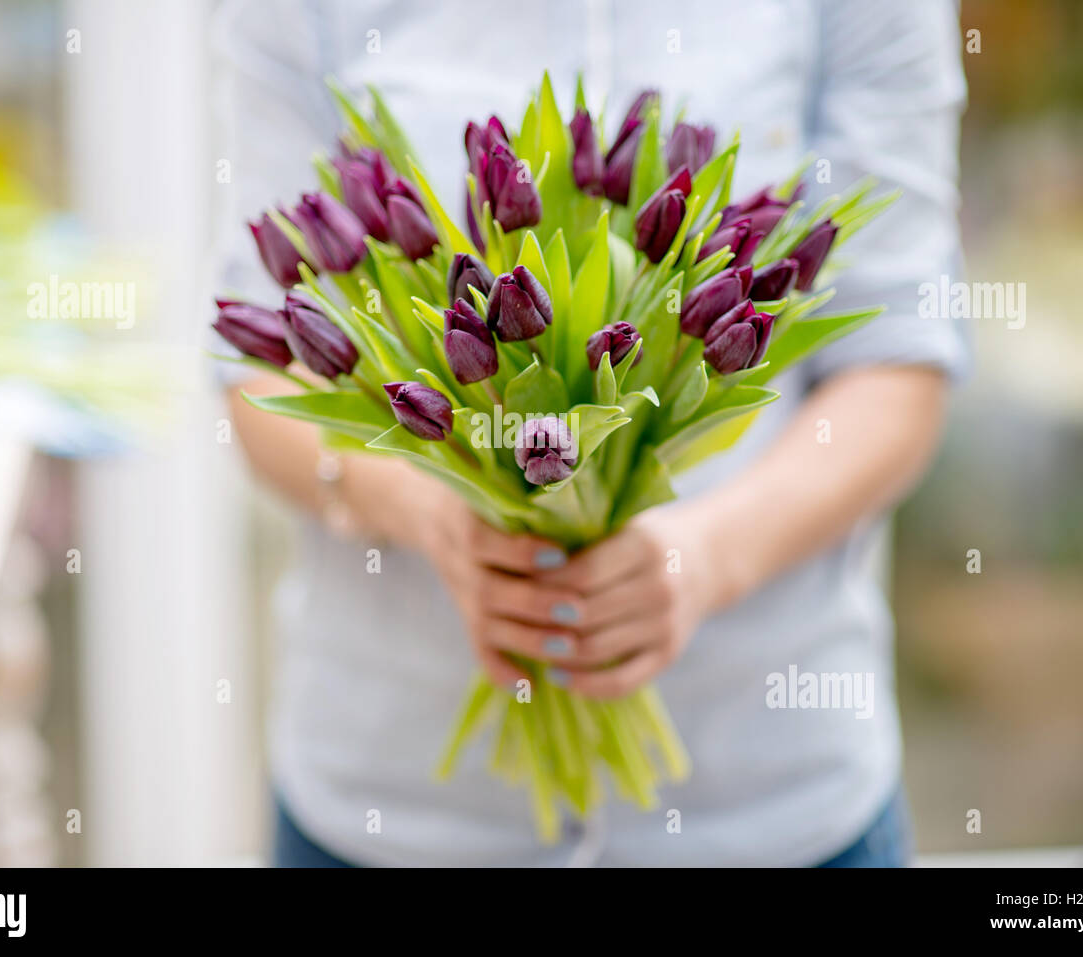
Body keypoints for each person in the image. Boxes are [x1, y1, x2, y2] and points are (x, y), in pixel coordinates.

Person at [213, 0, 969, 866]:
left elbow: (900, 364)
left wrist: (704, 559)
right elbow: (259, 370)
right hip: (393, 809)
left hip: (767, 803)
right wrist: (427, 511)